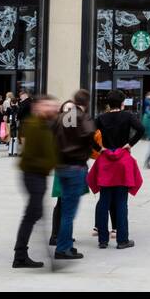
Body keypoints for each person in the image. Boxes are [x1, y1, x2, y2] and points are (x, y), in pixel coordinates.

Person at [91, 90, 144, 248]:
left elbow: (86, 133)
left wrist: (99, 148)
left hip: (106, 159)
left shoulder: (101, 117)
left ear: (108, 104)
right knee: (121, 201)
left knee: (104, 200)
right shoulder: (128, 116)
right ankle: (122, 240)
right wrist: (130, 143)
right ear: (122, 103)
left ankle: (102, 240)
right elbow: (141, 129)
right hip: (122, 159)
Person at [14, 94, 59, 268]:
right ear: (39, 107)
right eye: (49, 105)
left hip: (38, 175)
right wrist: (52, 163)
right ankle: (20, 255)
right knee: (32, 215)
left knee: (35, 214)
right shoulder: (34, 126)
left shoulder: (44, 125)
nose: (53, 109)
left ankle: (21, 254)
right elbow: (30, 157)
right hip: (33, 175)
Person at [53, 89, 94, 261]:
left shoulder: (61, 118)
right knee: (69, 212)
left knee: (65, 210)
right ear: (86, 103)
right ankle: (63, 248)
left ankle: (66, 244)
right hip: (75, 166)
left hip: (61, 165)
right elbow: (89, 136)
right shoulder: (84, 119)